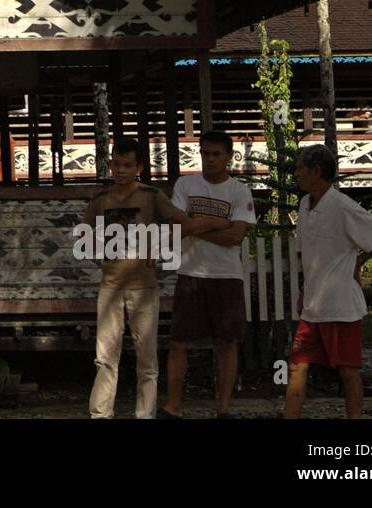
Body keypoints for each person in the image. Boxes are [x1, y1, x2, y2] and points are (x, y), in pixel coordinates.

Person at [83, 137, 233, 418]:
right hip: (111, 286)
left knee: (147, 359)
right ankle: (101, 414)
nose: (120, 170)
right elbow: (84, 235)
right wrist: (97, 250)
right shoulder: (101, 199)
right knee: (105, 358)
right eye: (116, 164)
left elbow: (181, 222)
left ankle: (145, 414)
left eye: (127, 165)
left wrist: (160, 245)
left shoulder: (151, 196)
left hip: (144, 287)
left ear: (139, 166)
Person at [285, 144, 372, 419]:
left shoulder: (342, 205)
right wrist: (303, 287)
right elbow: (308, 253)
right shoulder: (304, 204)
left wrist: (358, 261)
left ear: (317, 171)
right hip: (313, 303)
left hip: (340, 304)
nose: (296, 174)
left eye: (300, 168)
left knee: (348, 370)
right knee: (297, 365)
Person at [159, 131, 256, 418]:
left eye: (216, 154)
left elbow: (237, 236)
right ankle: (173, 406)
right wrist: (216, 222)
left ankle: (224, 408)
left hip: (226, 275)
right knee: (178, 342)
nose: (210, 159)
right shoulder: (185, 184)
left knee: (227, 343)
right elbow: (179, 228)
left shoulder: (239, 191)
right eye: (206, 153)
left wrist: (196, 225)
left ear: (229, 156)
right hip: (190, 271)